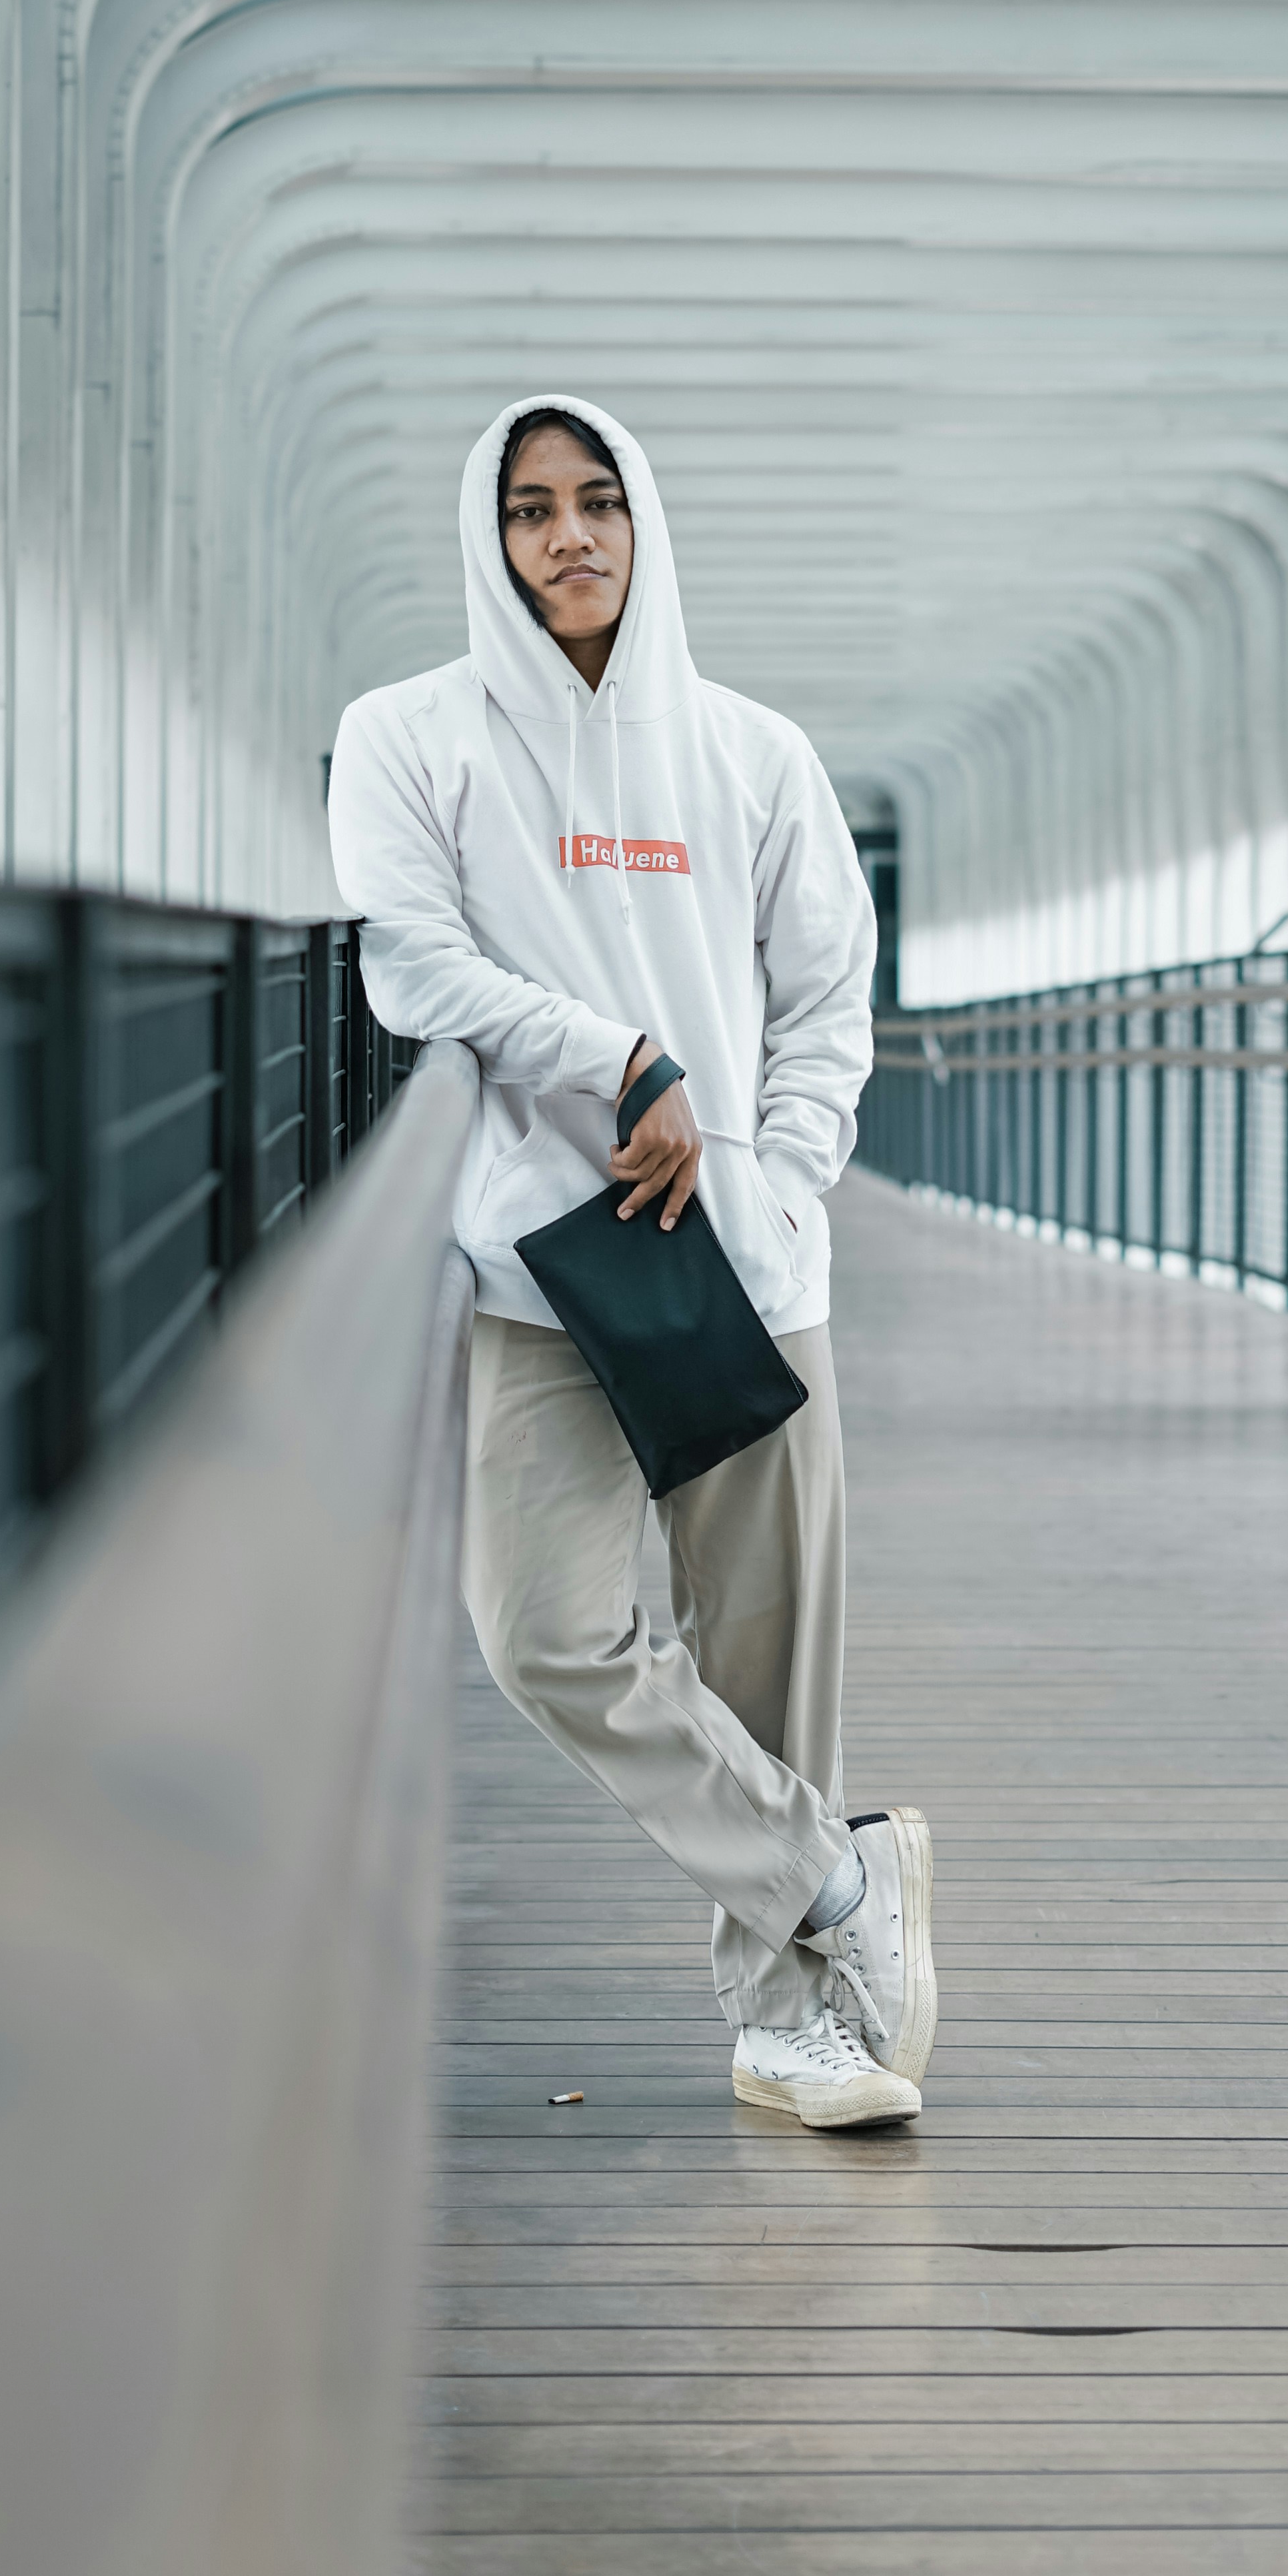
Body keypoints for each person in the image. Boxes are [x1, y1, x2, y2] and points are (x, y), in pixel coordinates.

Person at [328, 396, 936, 2128]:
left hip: (746, 1267)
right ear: (489, 536)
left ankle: (793, 2026)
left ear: (644, 522)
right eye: (530, 509)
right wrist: (624, 1062)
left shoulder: (750, 751)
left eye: (598, 501)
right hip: (541, 1269)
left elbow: (826, 993)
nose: (569, 537)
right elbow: (409, 966)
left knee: (764, 1645)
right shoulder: (410, 734)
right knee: (547, 1633)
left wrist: (780, 1171)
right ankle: (835, 1884)